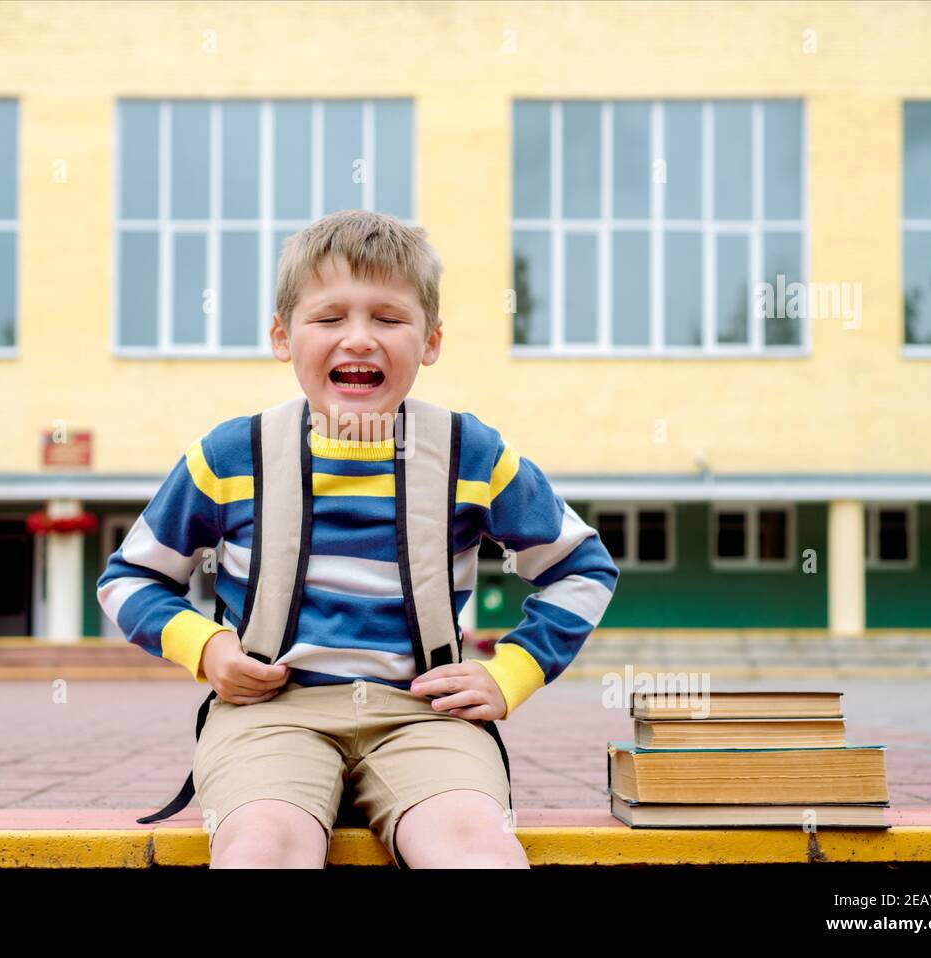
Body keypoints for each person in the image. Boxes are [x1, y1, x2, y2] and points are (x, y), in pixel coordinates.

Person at [97, 209, 619, 868]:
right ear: (282, 337)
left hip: (423, 715)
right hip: (269, 714)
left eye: (389, 318)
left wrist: (511, 673)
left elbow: (583, 567)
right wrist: (207, 648)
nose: (360, 339)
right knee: (263, 847)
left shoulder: (471, 454)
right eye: (330, 317)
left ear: (430, 341)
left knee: (476, 848)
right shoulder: (231, 456)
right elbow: (129, 579)